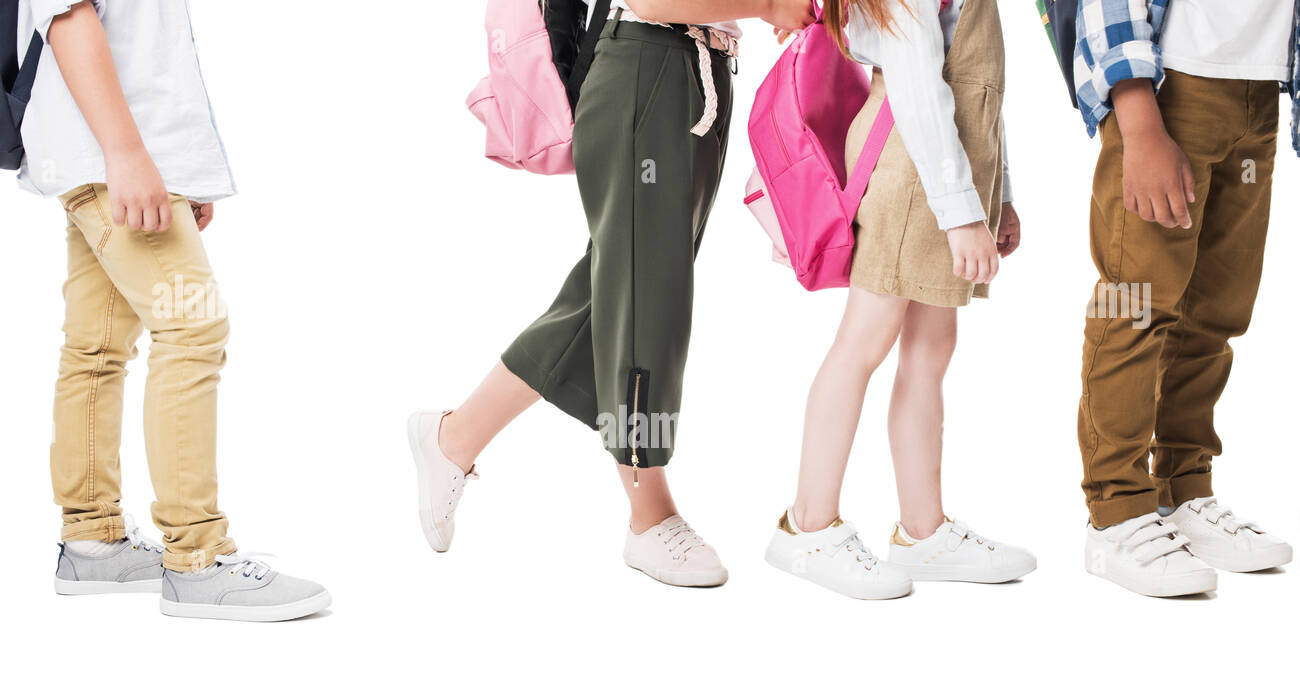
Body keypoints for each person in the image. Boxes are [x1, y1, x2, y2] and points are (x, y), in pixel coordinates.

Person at [409, 0, 816, 588]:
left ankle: (453, 437)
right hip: (649, 69)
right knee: (644, 301)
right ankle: (649, 516)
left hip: (692, 73)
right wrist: (770, 4)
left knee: (618, 290)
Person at [22, 1, 329, 621]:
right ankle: (196, 557)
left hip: (108, 155)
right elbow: (67, 16)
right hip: (108, 154)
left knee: (97, 344)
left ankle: (94, 541)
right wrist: (129, 155)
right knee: (191, 327)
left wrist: (182, 173)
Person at [764, 0, 1036, 600]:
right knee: (863, 340)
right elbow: (916, 83)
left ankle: (923, 533)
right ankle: (807, 525)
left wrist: (1000, 195)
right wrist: (962, 214)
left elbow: (980, 94)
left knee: (931, 348)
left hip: (948, 177)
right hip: (912, 172)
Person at [1073, 0, 1297, 597]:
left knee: (1216, 310)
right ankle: (1116, 514)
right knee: (1134, 304)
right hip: (1173, 88)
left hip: (1259, 94)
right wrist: (1137, 116)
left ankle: (1183, 488)